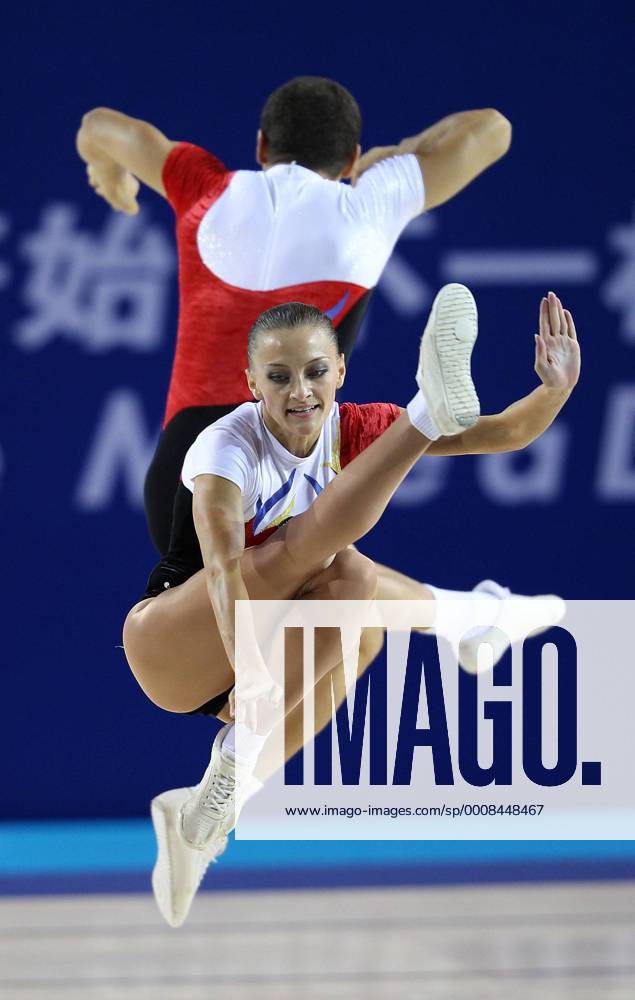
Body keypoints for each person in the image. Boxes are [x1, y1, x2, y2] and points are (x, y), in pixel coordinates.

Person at [122, 285, 580, 926]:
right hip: (176, 643)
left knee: (355, 597)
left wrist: (555, 390)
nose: (299, 392)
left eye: (315, 372)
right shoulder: (226, 448)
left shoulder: (353, 429)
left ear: (340, 370)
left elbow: (502, 433)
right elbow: (225, 572)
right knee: (313, 554)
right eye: (278, 377)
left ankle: (214, 805)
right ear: (250, 381)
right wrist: (251, 675)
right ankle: (473, 605)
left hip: (252, 663)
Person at [75, 75, 511, 579]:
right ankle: (472, 616)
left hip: (186, 474)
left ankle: (472, 617)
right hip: (292, 471)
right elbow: (491, 129)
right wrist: (397, 155)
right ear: (349, 159)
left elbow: (97, 125)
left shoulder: (204, 189)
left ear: (261, 146)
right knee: (329, 615)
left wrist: (108, 171)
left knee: (279, 634)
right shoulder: (371, 203)